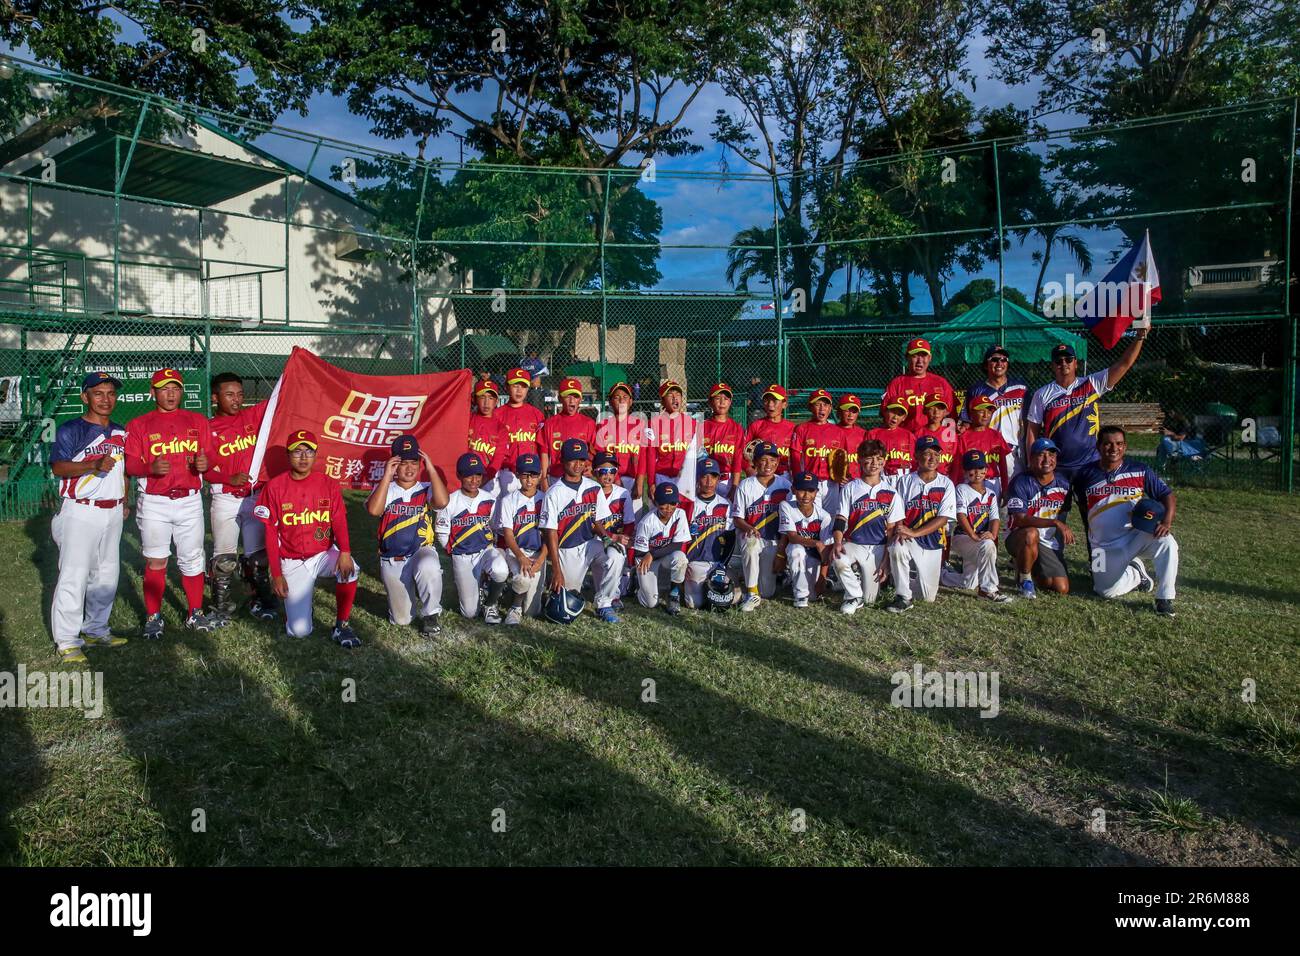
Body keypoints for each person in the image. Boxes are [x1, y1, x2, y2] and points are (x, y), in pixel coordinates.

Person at [124, 368, 220, 637]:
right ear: (152, 392)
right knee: (156, 561)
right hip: (155, 501)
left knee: (192, 558)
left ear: (182, 391)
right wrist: (149, 467)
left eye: (175, 388)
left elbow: (210, 455)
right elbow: (130, 463)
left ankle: (195, 613)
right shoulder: (139, 424)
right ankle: (153, 616)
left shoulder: (197, 420)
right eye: (164, 388)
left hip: (189, 500)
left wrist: (206, 462)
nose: (170, 393)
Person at [48, 371, 130, 663]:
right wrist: (92, 464)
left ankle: (96, 629)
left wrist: (124, 499)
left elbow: (124, 470)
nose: (105, 399)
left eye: (110, 393)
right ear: (85, 397)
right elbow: (58, 467)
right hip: (81, 509)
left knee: (107, 573)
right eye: (98, 393)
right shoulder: (71, 429)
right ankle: (67, 639)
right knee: (75, 574)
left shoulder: (121, 432)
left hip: (112, 510)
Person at [254, 429, 360, 646]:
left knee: (351, 569)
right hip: (292, 561)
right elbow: (271, 534)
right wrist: (276, 574)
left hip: (323, 554)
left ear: (316, 454)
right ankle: (300, 605)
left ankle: (341, 625)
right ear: (288, 455)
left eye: (309, 452)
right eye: (297, 452)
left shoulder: (327, 483)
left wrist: (345, 552)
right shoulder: (274, 486)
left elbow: (339, 520)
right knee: (299, 631)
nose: (303, 457)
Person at [1075, 425, 1179, 616]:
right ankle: (1136, 573)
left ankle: (1164, 598)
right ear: (1098, 446)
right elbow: (1084, 509)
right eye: (1107, 444)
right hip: (1102, 546)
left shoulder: (1140, 470)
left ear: (1125, 447)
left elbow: (1167, 495)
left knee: (1167, 543)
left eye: (1119, 444)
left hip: (1135, 537)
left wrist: (1166, 523)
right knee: (1102, 591)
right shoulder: (1084, 475)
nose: (1114, 449)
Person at [1025, 330, 1147, 486]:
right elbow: (1032, 431)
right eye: (1058, 361)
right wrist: (1032, 462)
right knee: (1057, 510)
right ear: (1052, 365)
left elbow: (1124, 364)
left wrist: (1139, 337)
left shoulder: (1091, 384)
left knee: (1093, 510)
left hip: (1090, 463)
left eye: (1068, 359)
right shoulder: (1042, 394)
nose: (1063, 363)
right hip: (1056, 465)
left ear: (1076, 363)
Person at [365, 434, 449, 639]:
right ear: (394, 464)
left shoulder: (425, 488)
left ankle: (431, 614)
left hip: (421, 550)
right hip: (393, 557)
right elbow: (374, 510)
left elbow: (442, 502)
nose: (409, 468)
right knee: (402, 620)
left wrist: (430, 469)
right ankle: (409, 596)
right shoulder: (386, 488)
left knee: (428, 565)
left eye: (414, 462)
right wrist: (386, 476)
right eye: (403, 463)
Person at [206, 371, 273, 623]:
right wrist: (228, 478)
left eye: (240, 394)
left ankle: (260, 599)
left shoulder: (251, 416)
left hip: (255, 497)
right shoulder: (207, 429)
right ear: (215, 397)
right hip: (226, 498)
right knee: (224, 558)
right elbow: (202, 471)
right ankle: (221, 607)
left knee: (258, 557)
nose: (236, 400)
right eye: (229, 395)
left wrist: (295, 368)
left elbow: (279, 398)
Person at [540, 438, 624, 623]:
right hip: (567, 549)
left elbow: (596, 521)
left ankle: (604, 604)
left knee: (617, 554)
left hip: (590, 544)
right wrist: (556, 569)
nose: (578, 464)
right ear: (563, 461)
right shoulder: (554, 493)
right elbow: (550, 532)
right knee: (568, 595)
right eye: (573, 460)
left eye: (582, 460)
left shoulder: (593, 487)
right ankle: (551, 584)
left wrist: (607, 538)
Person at [436, 452, 509, 624]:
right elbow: (442, 532)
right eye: (469, 475)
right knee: (469, 613)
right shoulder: (450, 501)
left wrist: (495, 549)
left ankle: (490, 604)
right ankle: (480, 587)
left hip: (485, 551)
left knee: (500, 569)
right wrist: (452, 550)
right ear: (459, 475)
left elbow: (495, 526)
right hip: (462, 555)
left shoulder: (489, 499)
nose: (474, 479)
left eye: (478, 474)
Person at [886, 435, 956, 612]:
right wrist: (901, 530)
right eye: (927, 453)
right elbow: (897, 511)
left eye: (936, 453)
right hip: (909, 537)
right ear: (916, 456)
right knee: (897, 547)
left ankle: (898, 578)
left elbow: (943, 518)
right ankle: (903, 596)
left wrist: (914, 533)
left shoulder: (946, 483)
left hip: (932, 541)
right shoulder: (905, 481)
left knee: (927, 597)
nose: (932, 458)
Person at [832, 439, 902, 615]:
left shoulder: (891, 492)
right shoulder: (850, 488)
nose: (874, 464)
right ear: (859, 460)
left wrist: (886, 562)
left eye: (878, 459)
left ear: (884, 461)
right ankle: (854, 596)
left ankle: (857, 584)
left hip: (878, 547)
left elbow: (892, 530)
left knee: (871, 599)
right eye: (869, 459)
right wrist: (838, 543)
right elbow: (841, 519)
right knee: (839, 558)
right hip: (855, 543)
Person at [1004, 438, 1074, 599]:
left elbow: (1063, 512)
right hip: (1019, 536)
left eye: (1052, 454)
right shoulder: (1021, 481)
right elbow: (1020, 519)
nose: (1047, 459)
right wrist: (1054, 523)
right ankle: (1025, 579)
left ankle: (1027, 566)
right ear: (1031, 458)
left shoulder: (1063, 484)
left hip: (1047, 542)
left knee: (1060, 588)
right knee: (1031, 533)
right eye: (1041, 455)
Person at [941, 450, 1011, 602]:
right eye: (972, 469)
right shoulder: (961, 489)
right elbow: (961, 516)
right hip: (963, 537)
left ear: (986, 470)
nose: (977, 472)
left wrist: (992, 534)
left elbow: (994, 518)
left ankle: (942, 576)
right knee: (987, 546)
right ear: (965, 471)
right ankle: (988, 590)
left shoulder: (991, 493)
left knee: (969, 582)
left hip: (979, 539)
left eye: (980, 468)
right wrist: (973, 536)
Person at [731, 441, 791, 611]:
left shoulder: (785, 486)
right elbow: (737, 518)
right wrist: (748, 527)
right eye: (763, 460)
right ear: (755, 462)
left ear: (778, 462)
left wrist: (781, 553)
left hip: (773, 541)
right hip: (753, 536)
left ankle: (742, 573)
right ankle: (751, 593)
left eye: (772, 460)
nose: (768, 464)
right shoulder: (746, 485)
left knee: (768, 591)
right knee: (750, 543)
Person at [492, 453, 547, 624]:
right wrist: (521, 557)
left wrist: (540, 560)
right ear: (517, 476)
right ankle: (514, 607)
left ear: (540, 475)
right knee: (524, 578)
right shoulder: (509, 500)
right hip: (517, 551)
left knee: (532, 611)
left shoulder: (546, 499)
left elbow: (551, 535)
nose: (529, 480)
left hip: (538, 553)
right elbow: (508, 534)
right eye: (524, 475)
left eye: (533, 475)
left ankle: (511, 592)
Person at [964, 345, 1028, 480]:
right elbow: (967, 422)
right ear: (986, 365)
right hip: (991, 450)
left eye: (1004, 359)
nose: (999, 363)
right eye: (994, 359)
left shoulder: (1021, 386)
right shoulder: (976, 390)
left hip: (1020, 448)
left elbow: (1031, 419)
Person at [775, 471, 834, 608]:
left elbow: (825, 551)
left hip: (814, 557)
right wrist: (816, 543)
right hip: (796, 551)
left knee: (813, 596)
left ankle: (794, 580)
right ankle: (800, 596)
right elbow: (792, 537)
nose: (806, 495)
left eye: (811, 490)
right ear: (793, 490)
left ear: (816, 492)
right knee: (796, 550)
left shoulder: (824, 516)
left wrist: (822, 578)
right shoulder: (786, 506)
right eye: (801, 490)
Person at [682, 457, 734, 609]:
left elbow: (731, 539)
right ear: (697, 479)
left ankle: (732, 579)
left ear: (718, 479)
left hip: (717, 562)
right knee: (694, 604)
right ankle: (682, 586)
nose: (709, 481)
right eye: (704, 476)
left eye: (713, 476)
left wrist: (722, 565)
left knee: (732, 599)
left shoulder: (725, 504)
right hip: (696, 561)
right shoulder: (689, 505)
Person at [632, 481, 691, 614]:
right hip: (644, 558)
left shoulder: (680, 514)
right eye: (664, 504)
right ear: (656, 503)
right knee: (650, 603)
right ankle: (636, 581)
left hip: (656, 555)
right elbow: (640, 552)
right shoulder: (646, 522)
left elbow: (677, 544)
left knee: (680, 558)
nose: (669, 508)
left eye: (673, 503)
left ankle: (674, 594)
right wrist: (650, 555)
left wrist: (652, 553)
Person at [592, 450, 638, 606]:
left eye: (612, 471)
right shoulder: (589, 491)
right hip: (593, 541)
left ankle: (613, 596)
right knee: (596, 585)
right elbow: (589, 524)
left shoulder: (623, 493)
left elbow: (629, 523)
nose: (608, 475)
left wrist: (623, 539)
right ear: (594, 472)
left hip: (615, 540)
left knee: (615, 556)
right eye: (603, 471)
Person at [882, 337, 955, 434]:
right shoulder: (896, 384)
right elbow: (886, 413)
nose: (920, 360)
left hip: (934, 439)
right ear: (907, 357)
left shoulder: (941, 383)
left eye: (924, 355)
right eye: (915, 356)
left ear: (930, 358)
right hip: (906, 437)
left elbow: (951, 412)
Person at [790, 387, 847, 511]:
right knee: (809, 517)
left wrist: (841, 475)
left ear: (830, 408)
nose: (822, 408)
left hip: (831, 483)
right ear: (810, 407)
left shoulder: (838, 432)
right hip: (809, 482)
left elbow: (842, 459)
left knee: (830, 518)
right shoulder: (801, 429)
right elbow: (795, 457)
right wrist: (798, 480)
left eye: (825, 405)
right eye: (817, 404)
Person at [496, 366, 547, 492]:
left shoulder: (536, 414)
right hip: (506, 472)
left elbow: (542, 447)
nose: (519, 390)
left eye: (523, 386)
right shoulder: (497, 415)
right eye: (515, 385)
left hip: (531, 471)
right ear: (507, 387)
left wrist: (543, 474)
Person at [594, 381, 649, 496]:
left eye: (625, 397)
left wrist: (639, 483)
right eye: (617, 397)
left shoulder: (640, 425)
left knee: (633, 513)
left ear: (630, 401)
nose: (621, 400)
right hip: (610, 478)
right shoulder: (603, 426)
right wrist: (616, 479)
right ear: (610, 402)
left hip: (633, 480)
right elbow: (601, 456)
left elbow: (643, 456)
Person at [951, 394, 1012, 494]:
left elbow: (1003, 465)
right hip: (970, 482)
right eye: (981, 411)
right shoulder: (963, 437)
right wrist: (955, 485)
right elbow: (958, 466)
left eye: (989, 411)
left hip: (993, 482)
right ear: (971, 413)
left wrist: (1005, 487)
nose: (986, 415)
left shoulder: (996, 435)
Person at [644, 380, 698, 493]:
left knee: (684, 510)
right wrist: (651, 483)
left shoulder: (692, 423)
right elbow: (650, 455)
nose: (675, 398)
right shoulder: (652, 423)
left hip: (684, 476)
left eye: (678, 394)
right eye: (670, 395)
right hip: (661, 476)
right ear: (662, 401)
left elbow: (697, 454)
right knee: (661, 509)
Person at [541, 376, 597, 481]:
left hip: (581, 477)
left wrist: (591, 467)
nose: (572, 400)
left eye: (575, 396)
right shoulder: (550, 423)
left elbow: (593, 452)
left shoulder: (589, 423)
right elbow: (544, 452)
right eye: (567, 396)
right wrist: (544, 478)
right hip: (556, 476)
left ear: (580, 399)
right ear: (560, 398)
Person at [702, 382, 745, 498]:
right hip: (707, 480)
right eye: (717, 398)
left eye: (726, 398)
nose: (722, 402)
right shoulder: (701, 427)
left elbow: (737, 459)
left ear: (730, 402)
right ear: (710, 402)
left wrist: (735, 485)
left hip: (728, 480)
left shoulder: (737, 428)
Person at [743, 383, 797, 475]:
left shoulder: (792, 428)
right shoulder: (756, 425)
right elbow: (742, 451)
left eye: (775, 400)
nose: (770, 404)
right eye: (766, 400)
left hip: (785, 475)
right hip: (761, 473)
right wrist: (748, 468)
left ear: (784, 404)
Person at [468, 378, 509, 494]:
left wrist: (484, 479)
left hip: (488, 479)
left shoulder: (500, 428)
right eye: (482, 397)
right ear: (475, 399)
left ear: (496, 401)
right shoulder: (467, 420)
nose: (486, 402)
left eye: (491, 398)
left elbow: (498, 459)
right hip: (466, 476)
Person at [866, 399, 914, 476]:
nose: (895, 417)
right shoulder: (873, 434)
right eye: (892, 412)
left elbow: (914, 461)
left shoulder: (909, 435)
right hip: (880, 476)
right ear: (885, 412)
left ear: (904, 417)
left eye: (899, 414)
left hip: (903, 477)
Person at [917, 396, 957, 476]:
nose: (936, 412)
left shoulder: (950, 433)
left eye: (940, 408)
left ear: (945, 412)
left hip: (946, 477)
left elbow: (956, 460)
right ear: (925, 410)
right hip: (924, 476)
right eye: (932, 408)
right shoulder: (918, 434)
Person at [836, 394, 868, 481]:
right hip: (835, 479)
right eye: (847, 410)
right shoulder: (832, 431)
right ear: (839, 411)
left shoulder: (864, 434)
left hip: (858, 479)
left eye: (854, 411)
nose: (850, 415)